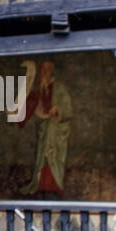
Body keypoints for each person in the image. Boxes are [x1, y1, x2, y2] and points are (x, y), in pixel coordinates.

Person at [18, 60, 72, 197]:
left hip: (57, 128)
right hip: (44, 126)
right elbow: (35, 109)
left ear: (52, 71)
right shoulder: (40, 90)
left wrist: (58, 109)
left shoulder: (59, 88)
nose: (45, 72)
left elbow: (67, 109)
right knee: (42, 154)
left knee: (53, 151)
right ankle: (40, 184)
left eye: (48, 69)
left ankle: (55, 185)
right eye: (43, 70)